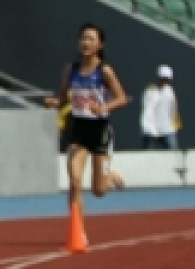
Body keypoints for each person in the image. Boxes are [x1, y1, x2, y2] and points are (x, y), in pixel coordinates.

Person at [43, 23, 128, 218]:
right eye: (83, 38)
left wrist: (103, 108)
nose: (85, 42)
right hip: (78, 128)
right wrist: (55, 101)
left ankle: (111, 176)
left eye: (91, 39)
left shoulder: (105, 71)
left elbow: (122, 98)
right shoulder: (70, 69)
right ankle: (78, 230)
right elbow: (64, 96)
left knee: (99, 191)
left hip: (100, 131)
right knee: (74, 180)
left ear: (100, 44)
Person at [140, 64, 180, 150]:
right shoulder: (150, 90)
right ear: (159, 77)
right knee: (146, 157)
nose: (166, 81)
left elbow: (173, 108)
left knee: (174, 155)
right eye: (164, 78)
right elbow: (148, 111)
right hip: (151, 131)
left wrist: (174, 125)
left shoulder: (169, 90)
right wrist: (151, 129)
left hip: (168, 129)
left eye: (167, 79)